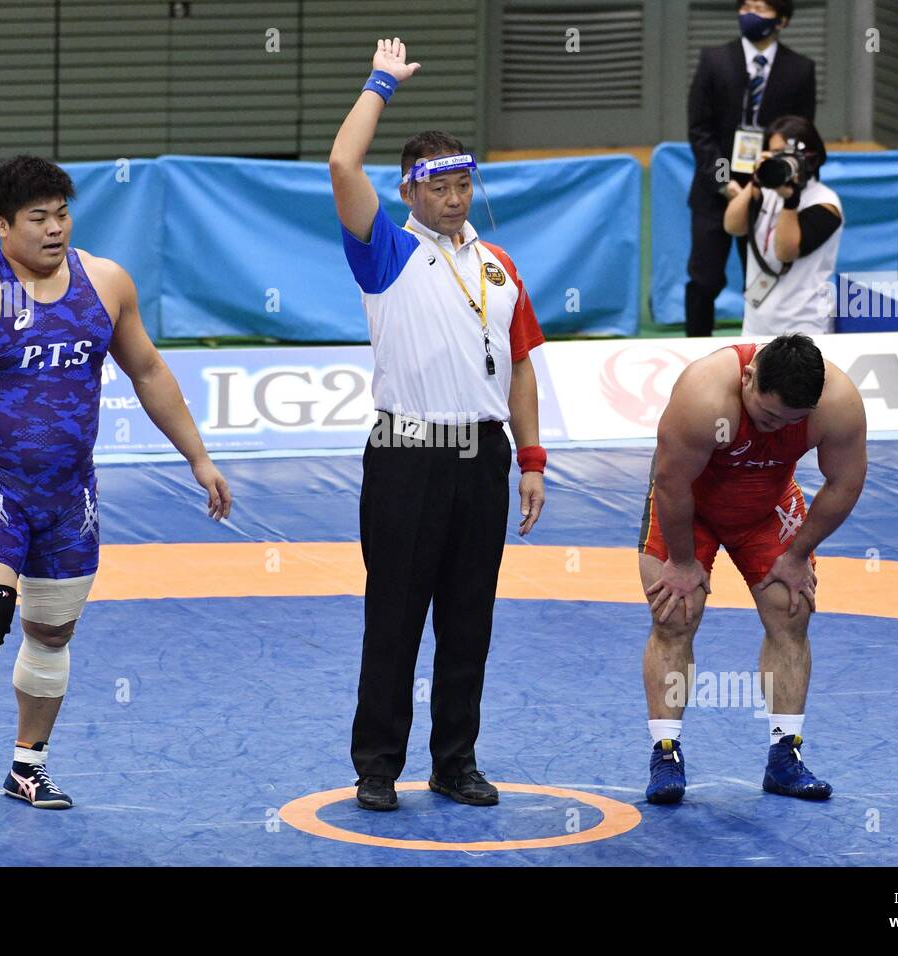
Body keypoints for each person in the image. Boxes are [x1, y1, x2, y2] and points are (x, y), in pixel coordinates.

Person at [0, 154, 232, 832]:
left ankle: (27, 765)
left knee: (51, 633)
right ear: (2, 225)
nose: (55, 229)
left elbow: (147, 370)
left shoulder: (106, 282)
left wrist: (198, 457)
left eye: (62, 214)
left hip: (70, 497)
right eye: (38, 218)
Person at [329, 38, 547, 812]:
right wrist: (380, 81)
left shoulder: (500, 267)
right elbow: (342, 167)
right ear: (412, 194)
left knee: (469, 619)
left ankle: (455, 762)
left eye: (463, 183)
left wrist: (532, 460)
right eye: (441, 187)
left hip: (483, 457)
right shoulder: (386, 253)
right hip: (407, 453)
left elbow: (520, 367)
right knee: (394, 613)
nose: (455, 198)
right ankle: (377, 765)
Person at [638, 334, 866, 804]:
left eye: (790, 422)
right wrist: (682, 561)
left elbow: (845, 483)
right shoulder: (703, 394)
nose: (775, 428)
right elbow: (672, 483)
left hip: (766, 506)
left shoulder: (837, 403)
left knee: (791, 608)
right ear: (748, 378)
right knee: (675, 613)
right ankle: (666, 753)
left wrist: (799, 554)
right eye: (767, 417)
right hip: (690, 506)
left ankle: (785, 755)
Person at [686, 0, 816, 337]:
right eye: (746, 6)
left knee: (762, 279)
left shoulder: (800, 69)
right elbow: (700, 130)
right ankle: (694, 352)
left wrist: (770, 179)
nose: (750, 13)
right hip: (715, 191)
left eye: (761, 7)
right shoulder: (713, 60)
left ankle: (763, 354)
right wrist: (724, 181)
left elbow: (800, 134)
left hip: (769, 193)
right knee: (705, 278)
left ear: (782, 21)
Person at [724, 115, 842, 334]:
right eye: (775, 154)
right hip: (756, 323)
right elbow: (732, 226)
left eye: (788, 155)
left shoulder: (826, 203)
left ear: (811, 158)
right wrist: (757, 180)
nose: (783, 161)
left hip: (802, 328)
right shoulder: (766, 192)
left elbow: (785, 252)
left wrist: (790, 200)